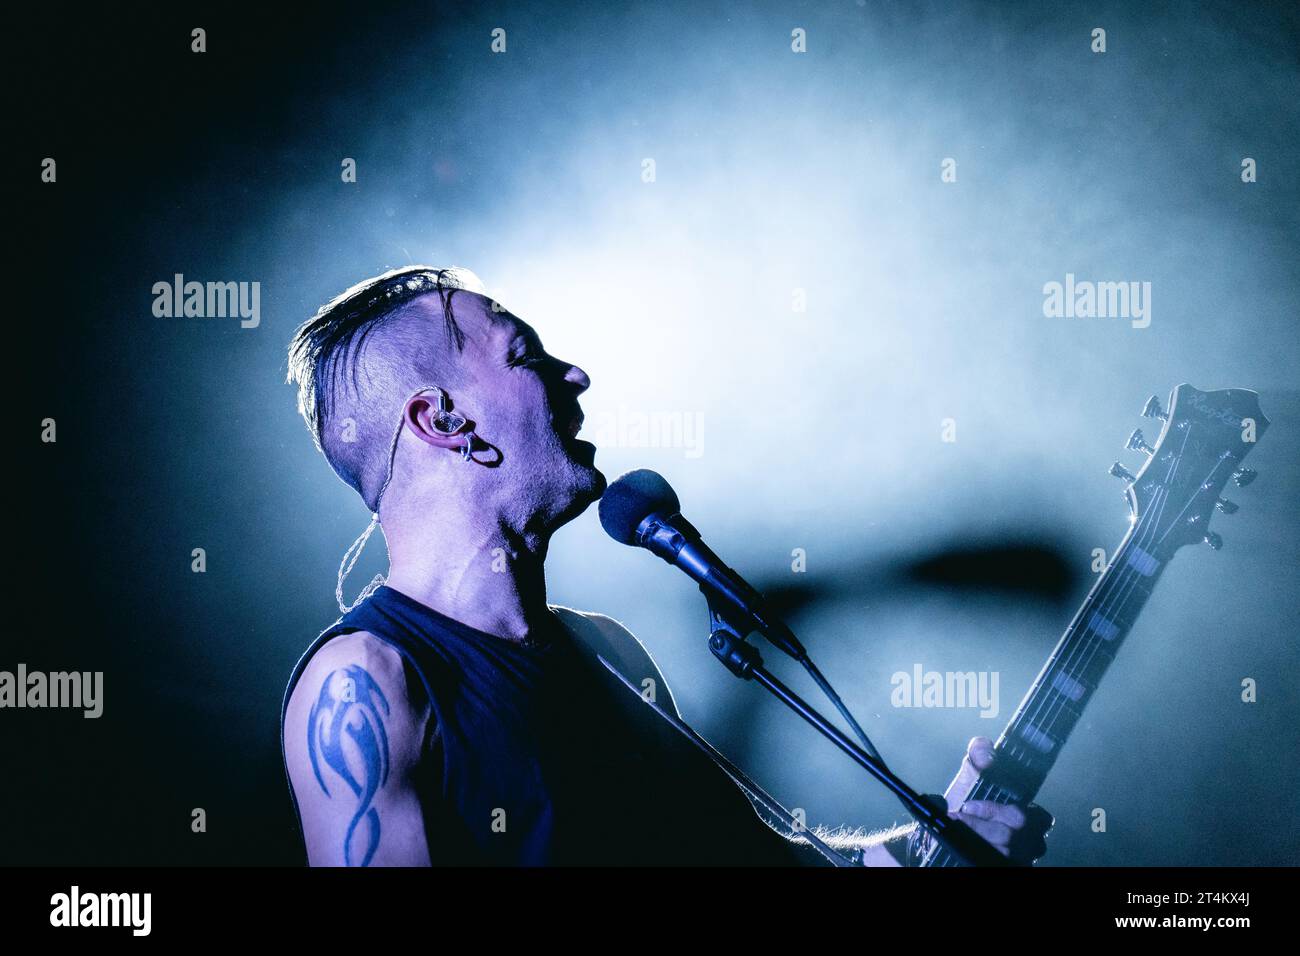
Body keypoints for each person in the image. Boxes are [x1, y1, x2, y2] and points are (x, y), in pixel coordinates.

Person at [281, 266, 1052, 866]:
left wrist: (930, 848)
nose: (574, 375)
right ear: (443, 420)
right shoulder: (365, 684)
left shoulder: (607, 654)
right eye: (526, 356)